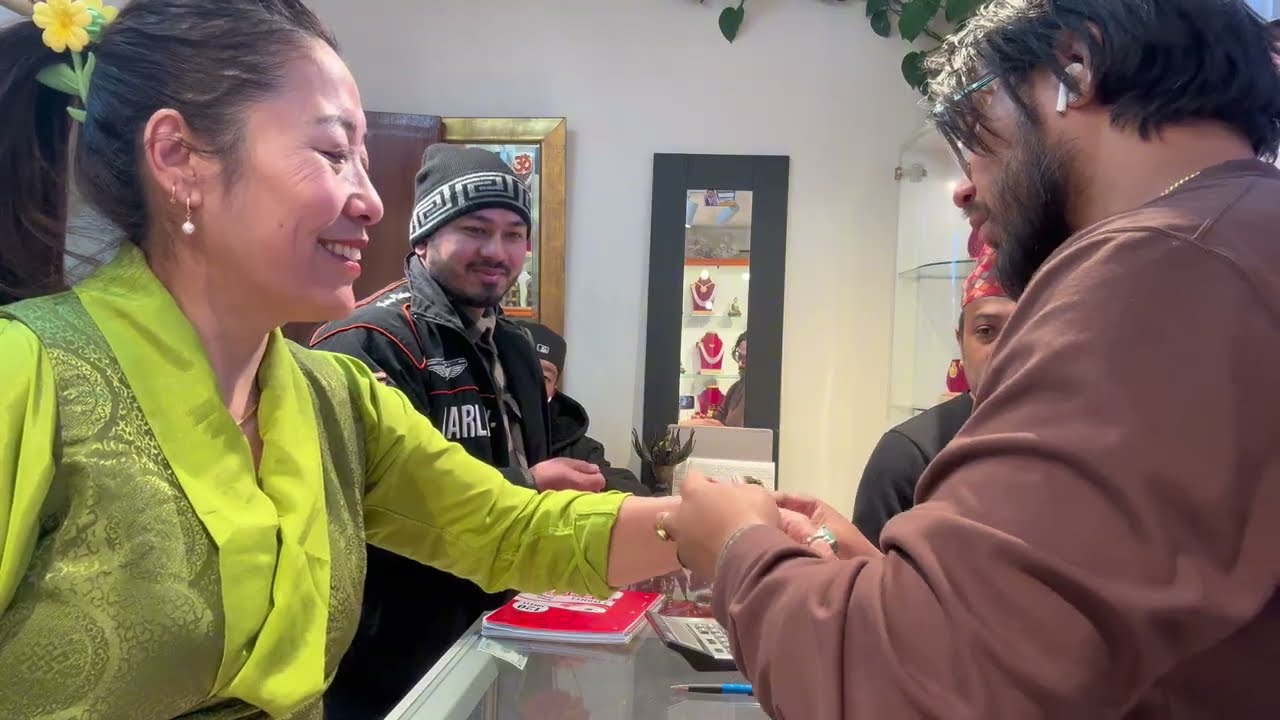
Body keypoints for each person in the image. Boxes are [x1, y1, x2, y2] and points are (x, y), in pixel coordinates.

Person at [0, 2, 687, 717]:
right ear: (178, 157)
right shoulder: (28, 373)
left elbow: (514, 529)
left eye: (362, 157)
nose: (370, 201)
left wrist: (710, 528)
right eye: (333, 154)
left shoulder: (337, 400)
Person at [665, 0, 1280, 717]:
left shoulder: (1160, 264)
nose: (961, 185)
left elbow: (910, 691)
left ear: (1075, 69)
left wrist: (736, 548)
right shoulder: (1236, 239)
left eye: (978, 134)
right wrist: (887, 587)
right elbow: (1091, 647)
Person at [308, 144, 610, 715]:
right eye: (476, 229)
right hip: (389, 670)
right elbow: (358, 514)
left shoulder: (517, 347)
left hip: (499, 646)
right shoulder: (364, 343)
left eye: (514, 233)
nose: (497, 251)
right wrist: (528, 484)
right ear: (424, 236)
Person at [852, 232, 1014, 544]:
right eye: (986, 331)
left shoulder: (1074, 445)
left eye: (1023, 326)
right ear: (961, 343)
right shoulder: (909, 453)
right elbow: (870, 583)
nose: (1005, 347)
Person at [518, 320, 651, 496]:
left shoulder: (576, 444)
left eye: (544, 377)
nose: (532, 383)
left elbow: (632, 489)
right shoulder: (476, 426)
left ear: (554, 389)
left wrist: (584, 482)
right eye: (523, 371)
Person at [683, 330, 747, 427]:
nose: (740, 364)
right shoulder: (735, 388)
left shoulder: (763, 393)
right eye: (739, 357)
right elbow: (720, 418)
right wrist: (705, 420)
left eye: (746, 358)